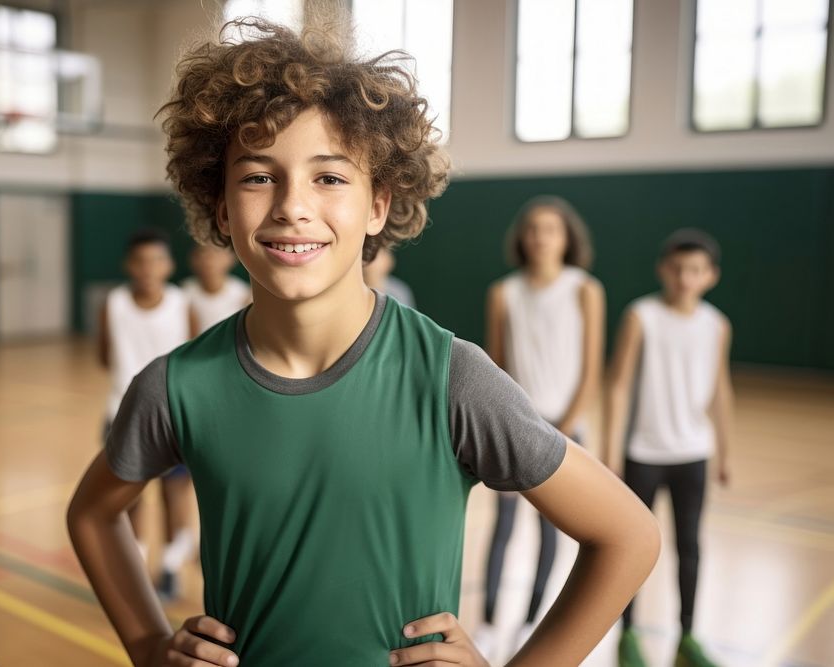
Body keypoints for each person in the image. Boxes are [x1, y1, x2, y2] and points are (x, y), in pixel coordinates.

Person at [68, 16, 660, 667]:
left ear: (378, 204)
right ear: (219, 206)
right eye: (259, 176)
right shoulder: (175, 386)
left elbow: (627, 535)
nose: (293, 206)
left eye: (328, 177)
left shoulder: (449, 378)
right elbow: (94, 515)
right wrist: (151, 647)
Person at [475, 196, 605, 660]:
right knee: (504, 525)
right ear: (521, 238)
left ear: (567, 238)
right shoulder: (503, 293)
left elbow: (592, 369)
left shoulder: (584, 289)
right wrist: (509, 424)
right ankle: (490, 621)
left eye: (550, 229)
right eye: (532, 228)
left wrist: (565, 428)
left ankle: (532, 619)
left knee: (553, 532)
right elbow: (496, 367)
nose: (540, 237)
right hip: (516, 425)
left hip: (566, 429)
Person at [603, 229, 734, 667]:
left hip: (693, 453)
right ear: (663, 269)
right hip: (643, 453)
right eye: (677, 268)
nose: (684, 278)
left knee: (690, 546)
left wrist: (726, 451)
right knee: (633, 547)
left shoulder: (716, 324)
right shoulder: (642, 316)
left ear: (710, 276)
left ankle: (688, 636)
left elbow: (720, 389)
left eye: (695, 270)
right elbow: (618, 385)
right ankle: (628, 636)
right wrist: (610, 448)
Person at [97, 228, 195, 597]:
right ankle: (136, 568)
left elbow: (193, 355)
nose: (148, 268)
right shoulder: (114, 302)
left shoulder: (181, 302)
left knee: (174, 496)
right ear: (128, 265)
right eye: (140, 260)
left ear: (168, 265)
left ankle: (169, 567)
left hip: (173, 417)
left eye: (156, 259)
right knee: (130, 498)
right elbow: (104, 355)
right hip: (121, 414)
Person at [182, 244, 251, 335]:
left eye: (216, 253)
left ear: (231, 258)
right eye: (203, 253)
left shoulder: (244, 295)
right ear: (193, 259)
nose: (209, 259)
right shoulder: (183, 293)